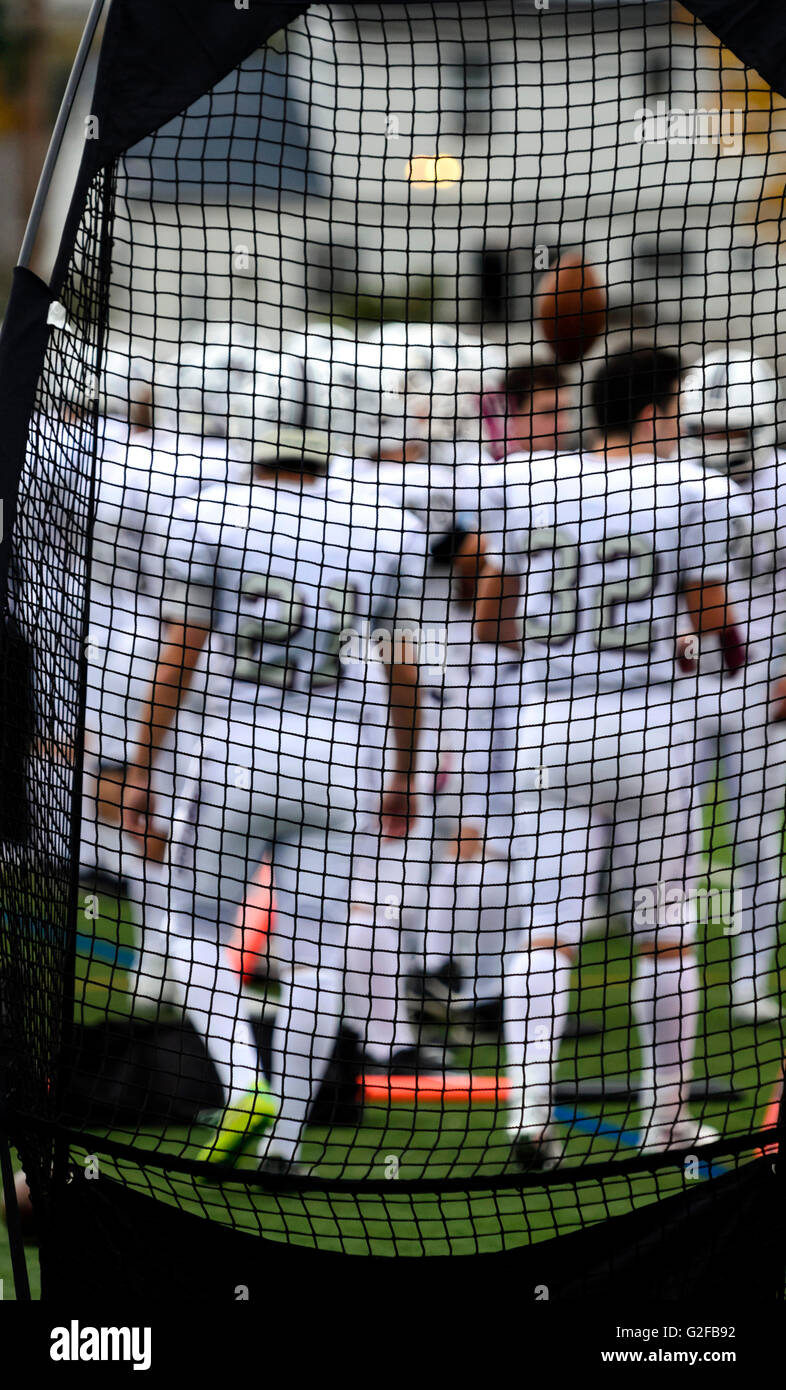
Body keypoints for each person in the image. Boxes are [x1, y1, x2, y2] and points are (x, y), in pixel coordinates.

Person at [122, 427, 429, 1173]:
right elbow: (404, 668)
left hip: (238, 750)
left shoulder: (208, 513)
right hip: (338, 756)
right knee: (317, 956)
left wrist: (140, 763)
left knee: (184, 926)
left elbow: (180, 652)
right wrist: (404, 773)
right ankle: (286, 1144)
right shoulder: (386, 525)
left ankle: (242, 1082)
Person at [473, 348, 741, 1167]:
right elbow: (720, 625)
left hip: (551, 726)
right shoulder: (693, 490)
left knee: (544, 937)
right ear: (656, 409)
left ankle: (527, 1117)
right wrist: (702, 649)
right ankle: (665, 1120)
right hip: (654, 730)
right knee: (666, 935)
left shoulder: (527, 483)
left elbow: (489, 619)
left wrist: (561, 649)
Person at [679, 348, 784, 1023]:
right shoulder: (670, 482)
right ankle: (671, 959)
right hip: (681, 687)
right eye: (710, 431)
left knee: (755, 838)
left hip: (762, 683)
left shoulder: (783, 483)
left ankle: (751, 975)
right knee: (669, 841)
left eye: (732, 432)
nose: (719, 445)